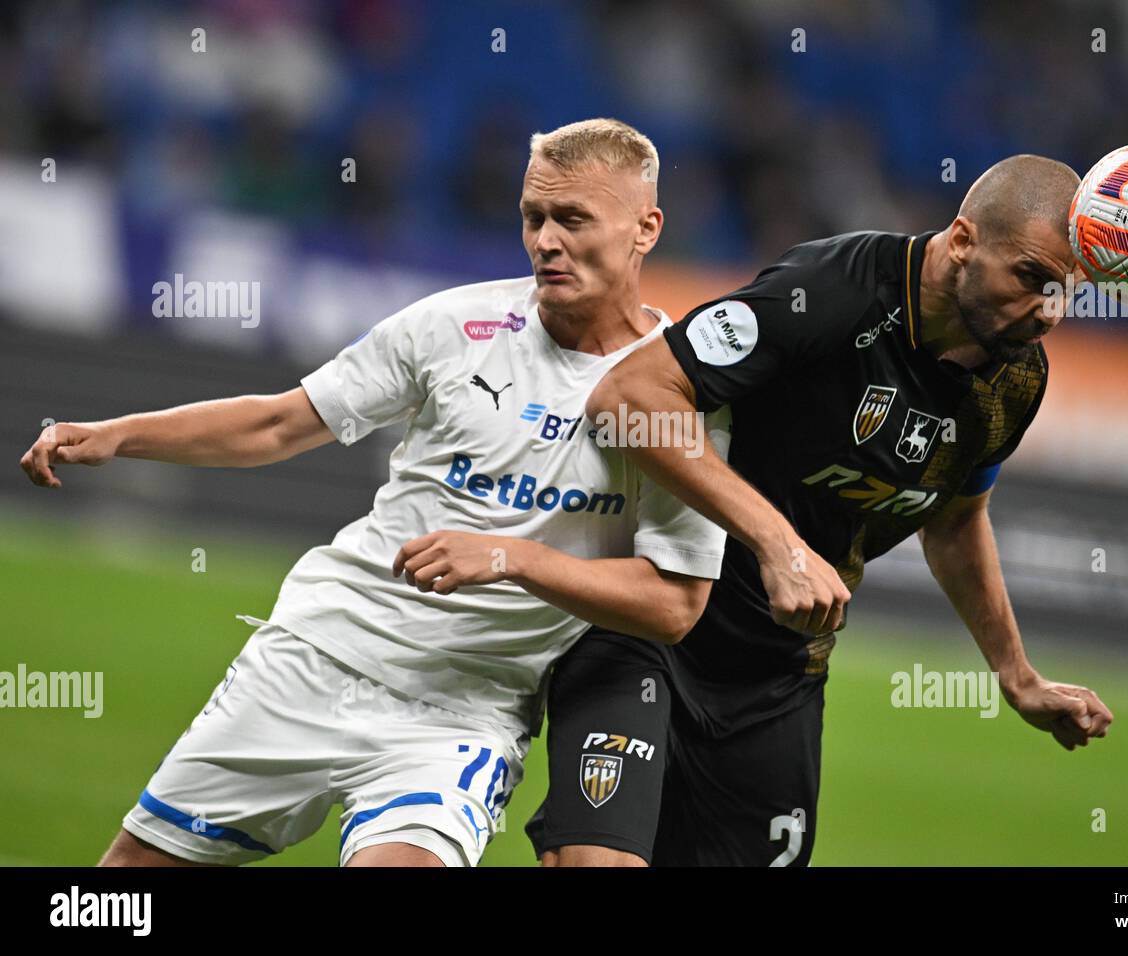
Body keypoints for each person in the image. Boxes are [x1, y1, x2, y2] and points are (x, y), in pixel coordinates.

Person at [20, 118, 728, 868]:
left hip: (461, 710)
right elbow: (278, 424)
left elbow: (674, 603)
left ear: (645, 228)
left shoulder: (682, 398)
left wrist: (510, 558)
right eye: (533, 217)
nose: (546, 240)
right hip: (318, 654)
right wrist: (121, 433)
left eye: (573, 219)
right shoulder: (456, 323)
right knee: (123, 885)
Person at [526, 154, 1115, 867]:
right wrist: (780, 544)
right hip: (650, 625)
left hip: (778, 677)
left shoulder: (1015, 381)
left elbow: (956, 522)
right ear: (962, 241)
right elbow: (629, 399)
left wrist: (1016, 675)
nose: (1045, 312)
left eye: (1064, 293)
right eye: (1030, 278)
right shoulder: (834, 290)